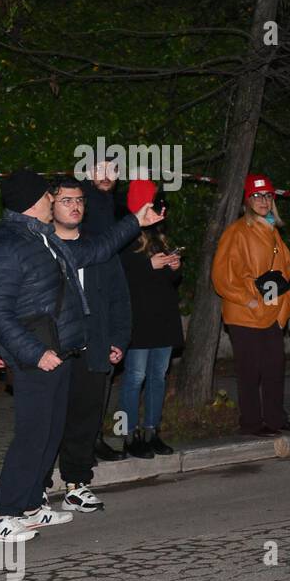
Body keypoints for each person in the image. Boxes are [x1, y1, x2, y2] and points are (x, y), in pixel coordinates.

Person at [0, 169, 162, 542]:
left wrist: (134, 222)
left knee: (49, 435)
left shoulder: (42, 238)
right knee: (32, 436)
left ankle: (31, 507)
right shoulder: (6, 245)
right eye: (50, 196)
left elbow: (94, 250)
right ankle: (5, 516)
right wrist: (36, 352)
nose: (54, 200)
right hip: (37, 356)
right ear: (35, 201)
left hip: (59, 351)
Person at [39, 177, 131, 512]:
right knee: (48, 420)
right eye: (66, 200)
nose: (75, 206)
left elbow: (120, 298)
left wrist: (119, 339)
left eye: (79, 200)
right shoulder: (40, 247)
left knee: (85, 418)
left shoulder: (100, 248)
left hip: (93, 347)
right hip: (53, 349)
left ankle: (77, 483)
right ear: (51, 204)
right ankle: (39, 486)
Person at [211, 174, 290, 437]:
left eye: (267, 196)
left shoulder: (272, 230)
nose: (263, 201)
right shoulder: (237, 232)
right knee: (250, 371)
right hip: (245, 313)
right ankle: (251, 422)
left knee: (275, 366)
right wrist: (249, 299)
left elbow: (281, 272)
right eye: (257, 196)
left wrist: (283, 304)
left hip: (270, 312)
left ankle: (275, 418)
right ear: (247, 201)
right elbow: (222, 276)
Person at [118, 177, 184, 455]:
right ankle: (128, 435)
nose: (161, 209)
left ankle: (151, 431)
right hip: (138, 320)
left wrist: (174, 265)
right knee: (134, 377)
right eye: (156, 202)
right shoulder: (123, 235)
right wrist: (149, 266)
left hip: (163, 319)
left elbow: (170, 281)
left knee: (158, 376)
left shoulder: (159, 235)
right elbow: (120, 277)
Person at [82, 158, 129, 461]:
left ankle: (94, 437)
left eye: (112, 171)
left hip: (109, 296)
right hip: (88, 301)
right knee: (90, 378)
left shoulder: (115, 206)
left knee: (103, 375)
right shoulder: (84, 205)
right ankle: (85, 441)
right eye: (99, 170)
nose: (106, 175)